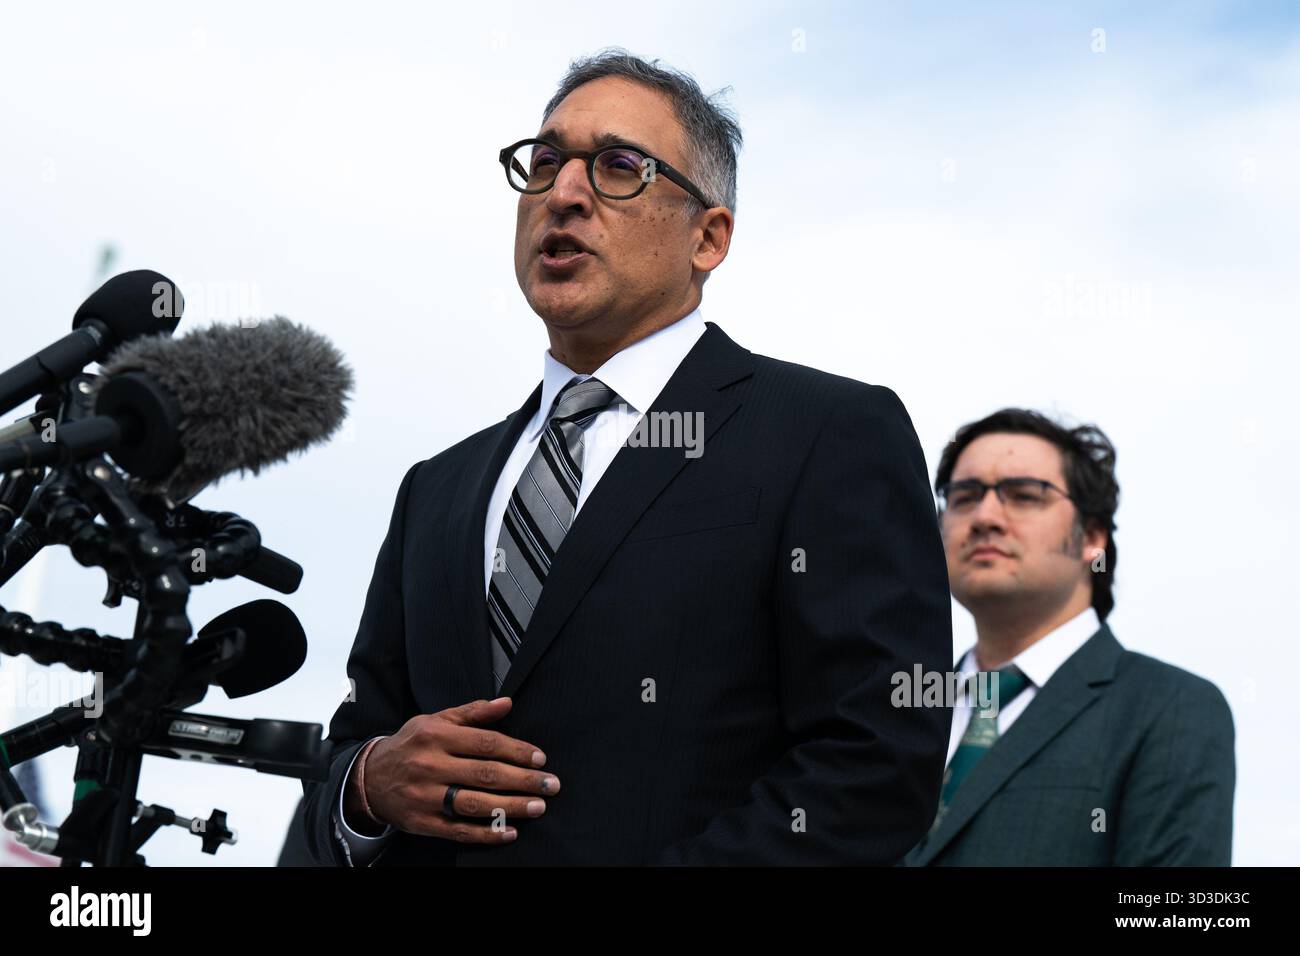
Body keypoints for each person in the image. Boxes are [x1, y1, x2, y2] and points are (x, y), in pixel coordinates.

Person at [298, 48, 952, 866]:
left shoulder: (828, 432)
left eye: (617, 167)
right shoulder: (437, 489)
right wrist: (366, 787)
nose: (564, 193)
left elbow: (875, 761)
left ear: (708, 237)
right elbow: (346, 760)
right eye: (544, 162)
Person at [903, 408, 1234, 866]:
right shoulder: (890, 707)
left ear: (1092, 537)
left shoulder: (1169, 708)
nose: (985, 516)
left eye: (1023, 495)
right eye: (964, 496)